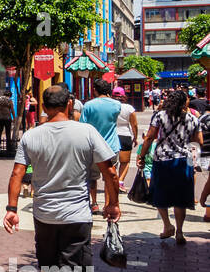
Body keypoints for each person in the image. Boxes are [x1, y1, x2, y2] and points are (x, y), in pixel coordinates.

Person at [4, 82, 120, 272]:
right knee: (71, 269)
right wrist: (112, 203)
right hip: (77, 215)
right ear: (69, 104)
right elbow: (110, 172)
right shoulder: (87, 133)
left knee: (48, 262)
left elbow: (17, 174)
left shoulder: (31, 136)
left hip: (44, 214)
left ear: (43, 107)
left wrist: (11, 209)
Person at [135, 87, 202, 243]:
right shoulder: (193, 119)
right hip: (183, 161)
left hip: (162, 159)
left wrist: (142, 155)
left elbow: (149, 137)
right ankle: (179, 231)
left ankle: (167, 225)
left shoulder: (160, 116)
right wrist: (194, 161)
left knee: (160, 193)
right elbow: (198, 141)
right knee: (180, 198)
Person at [80, 77, 122, 214]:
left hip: (93, 147)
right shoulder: (116, 105)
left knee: (92, 177)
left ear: (95, 90)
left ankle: (94, 203)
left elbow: (83, 126)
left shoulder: (88, 106)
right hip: (112, 146)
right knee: (110, 177)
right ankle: (108, 204)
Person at [113, 87, 138, 192]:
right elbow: (134, 124)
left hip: (112, 135)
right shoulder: (129, 108)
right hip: (125, 135)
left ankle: (112, 181)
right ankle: (120, 181)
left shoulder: (110, 107)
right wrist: (135, 137)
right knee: (125, 162)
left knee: (112, 162)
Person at [0, 88, 15, 155]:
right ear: (10, 95)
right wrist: (14, 118)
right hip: (7, 118)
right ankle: (8, 147)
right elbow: (12, 110)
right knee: (8, 133)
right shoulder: (9, 100)